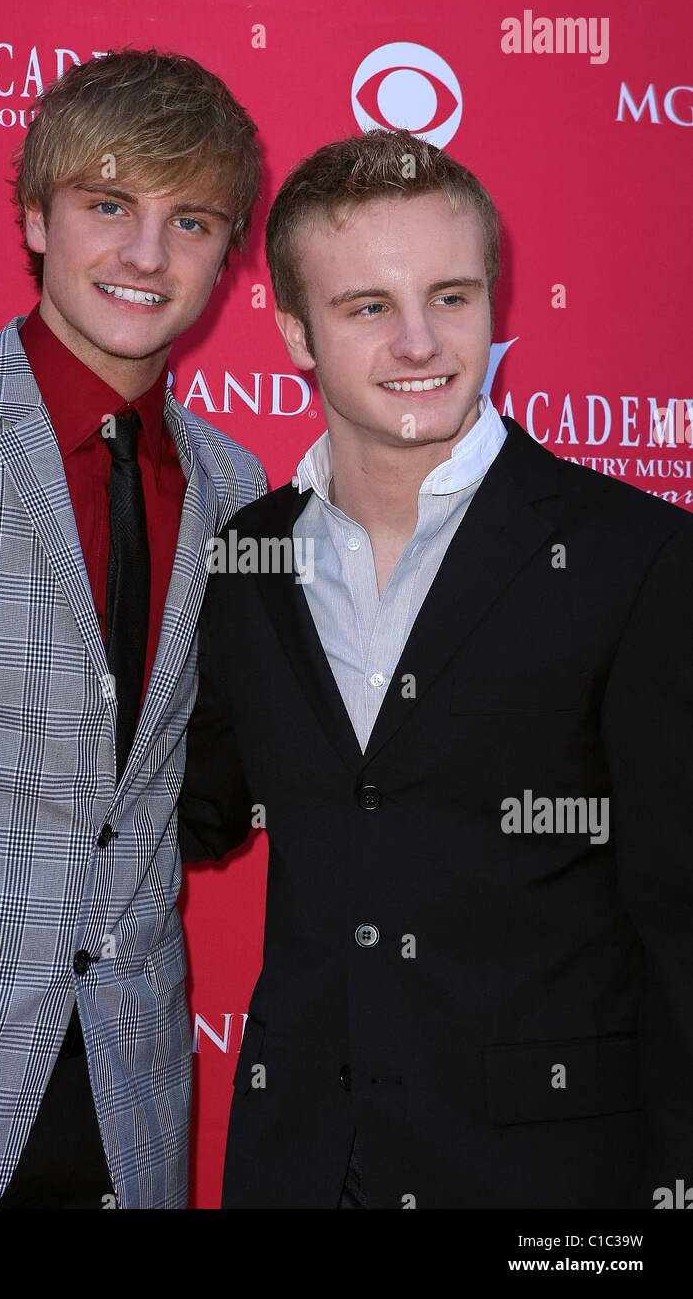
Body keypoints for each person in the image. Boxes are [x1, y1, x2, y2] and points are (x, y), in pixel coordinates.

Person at [178, 127, 693, 1209]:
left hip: (541, 1181)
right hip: (299, 1164)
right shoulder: (243, 558)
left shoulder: (631, 558)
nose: (419, 341)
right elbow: (194, 805)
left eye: (450, 298)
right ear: (294, 334)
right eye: (368, 307)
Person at [0, 48, 265, 1209]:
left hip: (129, 1106)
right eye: (108, 206)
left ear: (229, 257)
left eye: (191, 221)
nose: (144, 254)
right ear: (33, 214)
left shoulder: (237, 484)